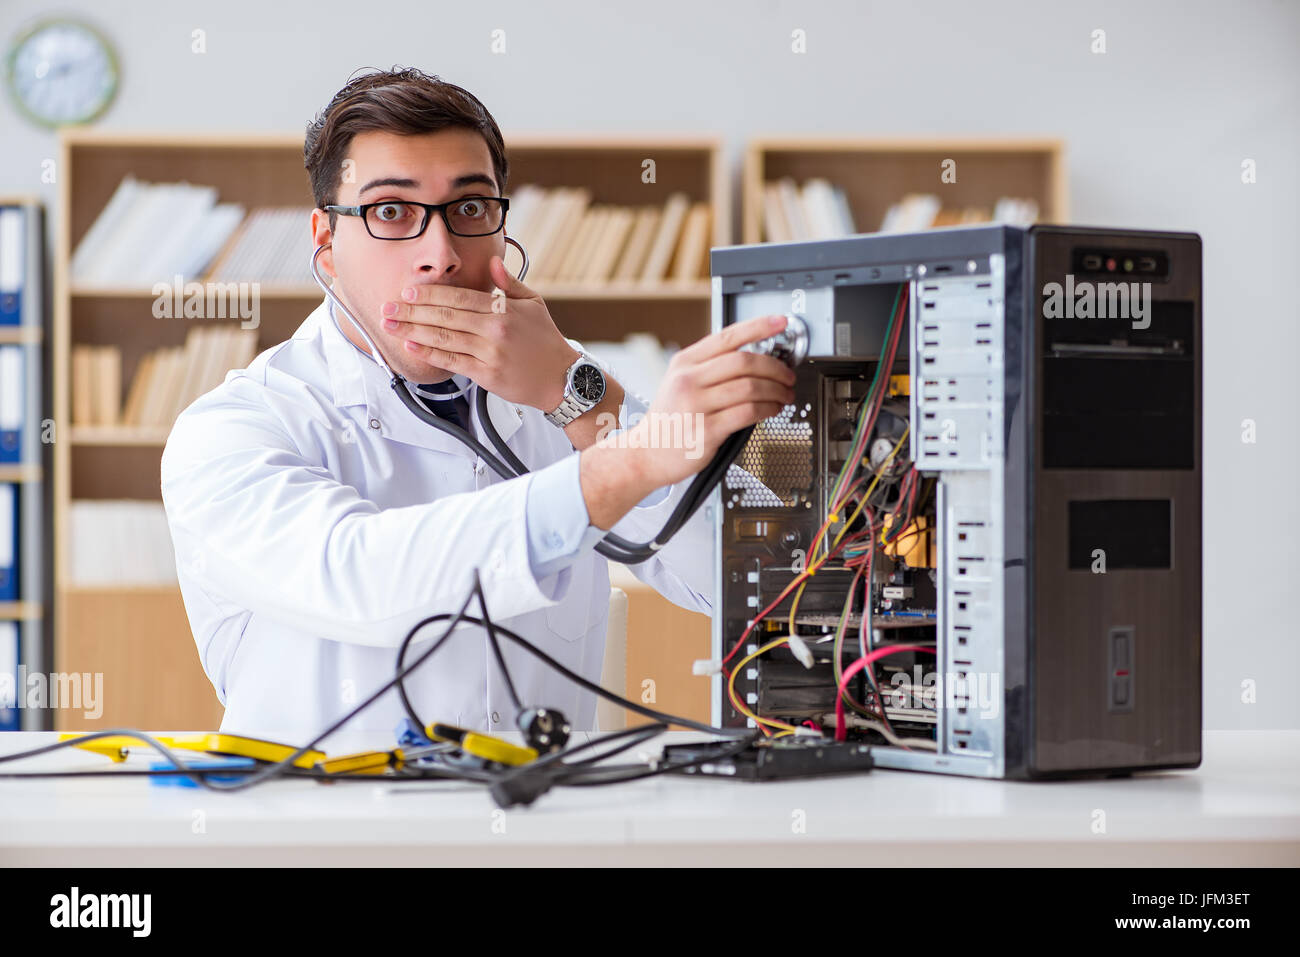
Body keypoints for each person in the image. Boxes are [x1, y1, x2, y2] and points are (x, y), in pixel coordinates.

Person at [159, 67, 796, 744]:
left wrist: (578, 394)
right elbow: (361, 578)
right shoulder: (237, 427)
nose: (439, 255)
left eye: (468, 208)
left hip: (536, 831)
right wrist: (626, 463)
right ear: (325, 243)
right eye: (391, 211)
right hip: (326, 838)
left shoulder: (559, 388)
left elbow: (759, 580)